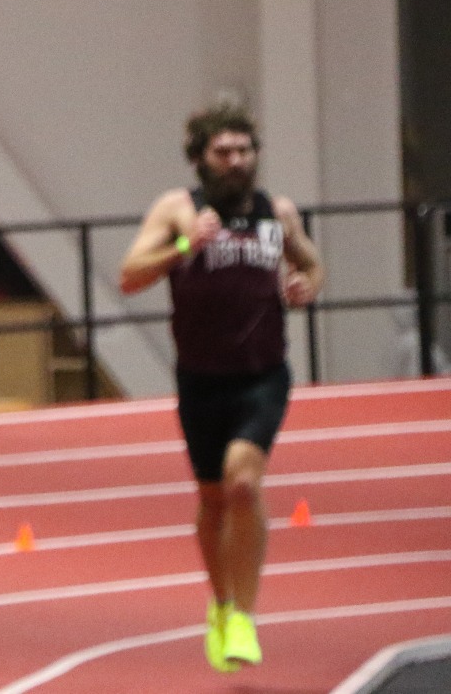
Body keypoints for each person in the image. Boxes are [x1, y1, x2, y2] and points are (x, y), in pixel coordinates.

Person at [119, 101, 323, 674]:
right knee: (212, 499)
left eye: (244, 150)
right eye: (223, 152)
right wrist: (186, 246)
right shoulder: (178, 210)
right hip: (200, 379)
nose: (235, 161)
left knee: (242, 484)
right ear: (200, 159)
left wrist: (307, 284)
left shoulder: (276, 212)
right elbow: (130, 276)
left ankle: (244, 618)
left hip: (262, 375)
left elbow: (311, 264)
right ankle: (222, 603)